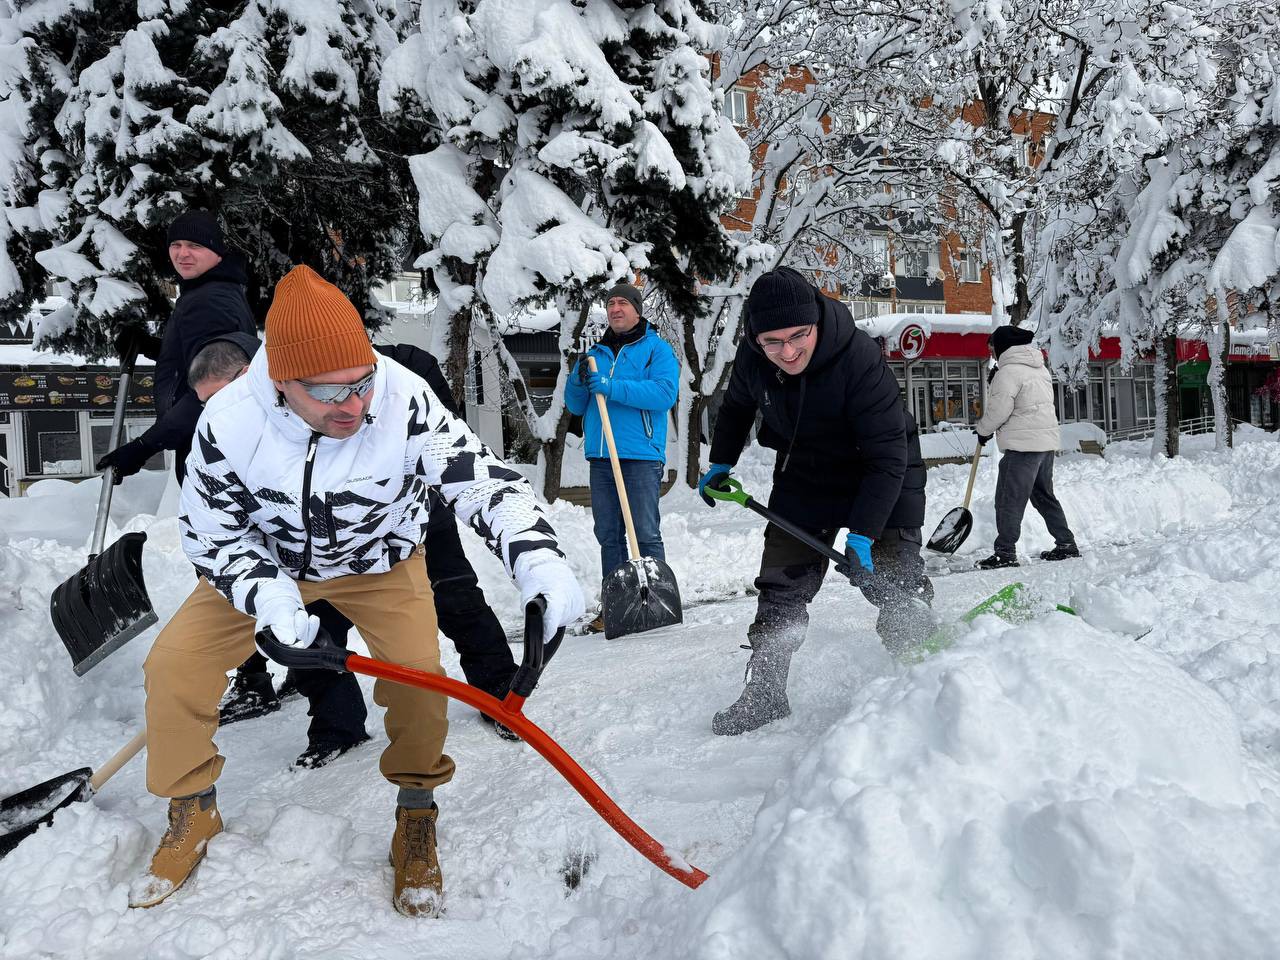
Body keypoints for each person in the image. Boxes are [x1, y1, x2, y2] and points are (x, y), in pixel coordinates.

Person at [130, 265, 584, 915]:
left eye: (361, 382)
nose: (353, 404)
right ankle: (192, 808)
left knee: (419, 680)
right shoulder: (228, 421)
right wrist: (268, 594)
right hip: (271, 562)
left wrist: (539, 561)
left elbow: (482, 482)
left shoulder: (400, 398)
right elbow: (210, 534)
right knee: (172, 667)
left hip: (380, 561)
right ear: (280, 382)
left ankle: (416, 814)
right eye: (327, 391)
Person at [192, 335, 524, 753]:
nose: (221, 410)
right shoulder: (245, 417)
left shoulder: (403, 369)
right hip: (314, 538)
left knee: (455, 597)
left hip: (409, 519)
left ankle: (499, 694)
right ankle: (337, 727)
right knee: (313, 629)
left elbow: (444, 441)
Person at [698, 266, 932, 737]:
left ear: (816, 325)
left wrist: (864, 532)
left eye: (797, 336)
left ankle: (925, 676)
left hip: (882, 472)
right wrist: (721, 461)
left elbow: (889, 457)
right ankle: (764, 692)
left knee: (893, 581)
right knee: (781, 585)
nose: (786, 352)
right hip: (805, 474)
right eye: (772, 342)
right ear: (756, 339)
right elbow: (738, 407)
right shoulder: (754, 357)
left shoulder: (859, 360)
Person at [96, 210, 256, 485]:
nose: (182, 254)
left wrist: (144, 447)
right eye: (176, 245)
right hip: (214, 442)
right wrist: (152, 347)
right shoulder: (210, 291)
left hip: (210, 449)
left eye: (195, 246)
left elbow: (214, 389)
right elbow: (203, 362)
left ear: (216, 252)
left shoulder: (209, 300)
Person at [564, 282, 679, 632]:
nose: (615, 308)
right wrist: (579, 380)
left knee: (644, 531)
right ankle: (615, 604)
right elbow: (575, 405)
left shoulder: (656, 350)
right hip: (601, 456)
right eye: (611, 303)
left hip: (641, 454)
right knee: (609, 534)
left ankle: (657, 600)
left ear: (637, 309)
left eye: (623, 303)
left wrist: (612, 388)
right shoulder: (594, 354)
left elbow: (663, 394)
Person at [972, 325, 1079, 568]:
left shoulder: (1007, 372)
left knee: (1008, 499)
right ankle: (1066, 543)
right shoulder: (1038, 368)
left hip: (1023, 447)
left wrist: (982, 431)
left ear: (1002, 346)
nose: (991, 354)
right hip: (1045, 444)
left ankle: (1005, 553)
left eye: (992, 349)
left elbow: (999, 410)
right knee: (1044, 495)